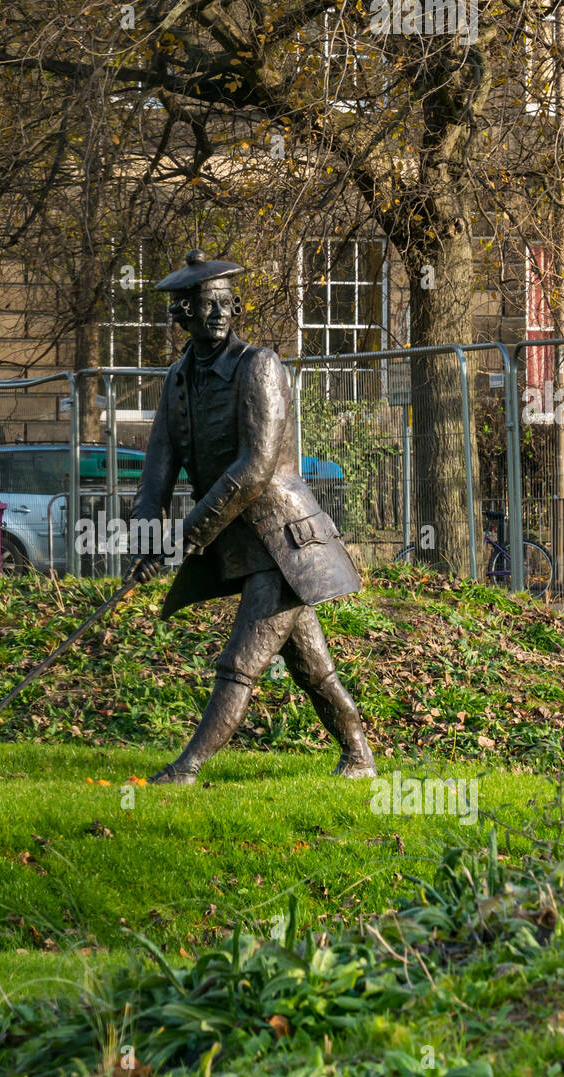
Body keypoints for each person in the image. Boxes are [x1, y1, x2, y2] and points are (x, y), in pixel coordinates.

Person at [123, 248, 377, 785]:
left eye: (225, 304)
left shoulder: (259, 366)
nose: (218, 314)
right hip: (240, 543)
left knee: (241, 661)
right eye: (205, 305)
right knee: (312, 667)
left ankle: (188, 766)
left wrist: (185, 537)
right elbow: (157, 471)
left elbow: (255, 467)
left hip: (284, 541)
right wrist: (146, 537)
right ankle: (359, 754)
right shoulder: (177, 380)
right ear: (181, 316)